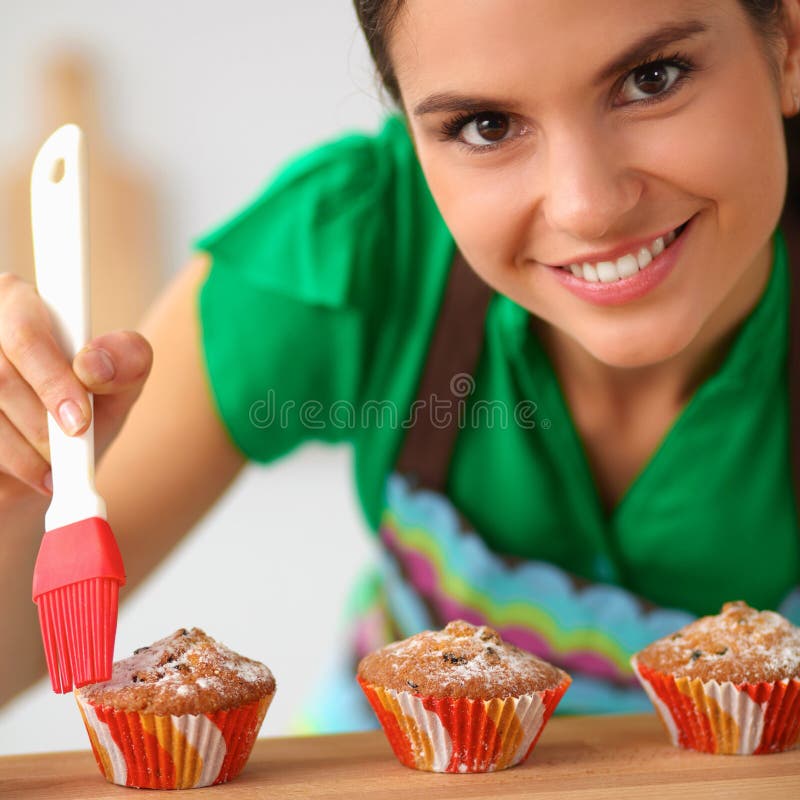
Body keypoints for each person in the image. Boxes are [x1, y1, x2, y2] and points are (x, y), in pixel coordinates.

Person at [1, 0, 799, 730]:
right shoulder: (354, 242)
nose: (586, 204)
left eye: (651, 80)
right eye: (486, 126)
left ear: (788, 42)